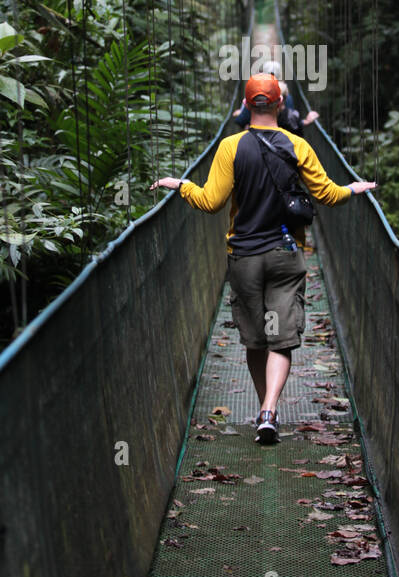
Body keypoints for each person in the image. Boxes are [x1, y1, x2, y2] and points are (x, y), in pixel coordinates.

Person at [151, 73, 376, 445]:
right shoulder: (297, 144)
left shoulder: (230, 147)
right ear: (280, 104)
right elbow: (327, 195)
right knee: (281, 339)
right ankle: (270, 410)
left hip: (243, 256)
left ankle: (263, 411)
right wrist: (353, 188)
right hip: (286, 255)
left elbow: (210, 203)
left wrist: (182, 186)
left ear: (245, 105)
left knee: (255, 339)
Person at [232, 60, 320, 136]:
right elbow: (290, 121)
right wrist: (304, 122)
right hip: (282, 141)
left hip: (256, 139)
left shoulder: (256, 94)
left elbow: (241, 121)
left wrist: (241, 113)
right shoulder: (287, 97)